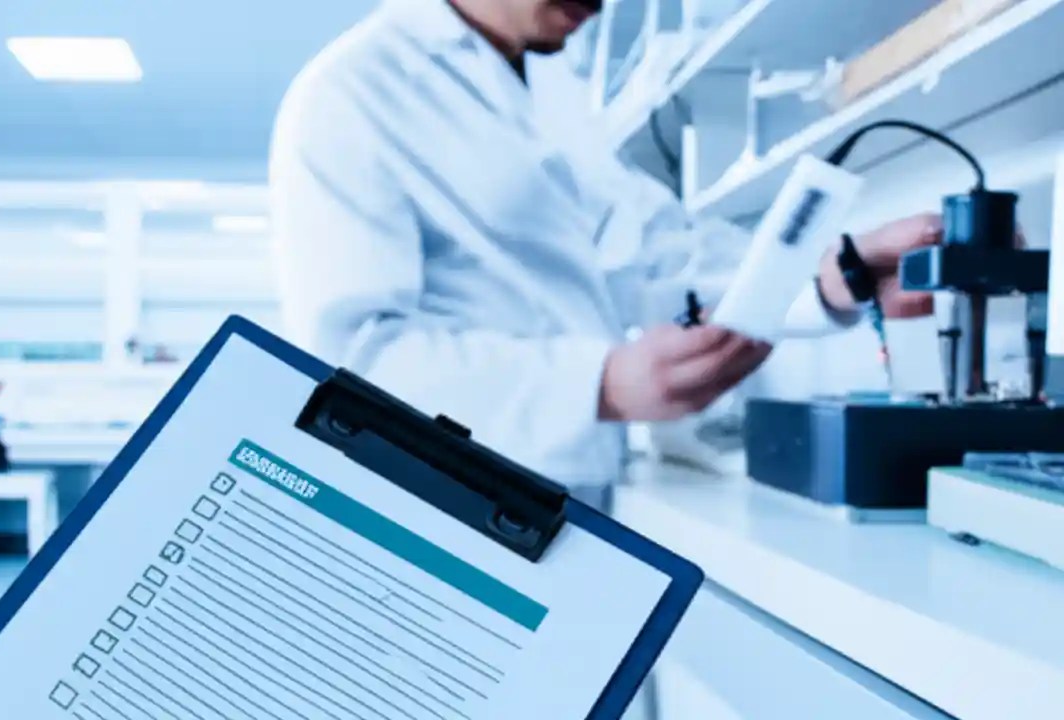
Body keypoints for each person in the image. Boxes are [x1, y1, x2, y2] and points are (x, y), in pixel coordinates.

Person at [268, 0, 940, 506]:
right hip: (439, 501)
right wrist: (599, 382)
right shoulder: (352, 91)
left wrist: (837, 272)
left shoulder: (552, 92)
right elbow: (356, 358)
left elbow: (658, 255)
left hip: (571, 493)